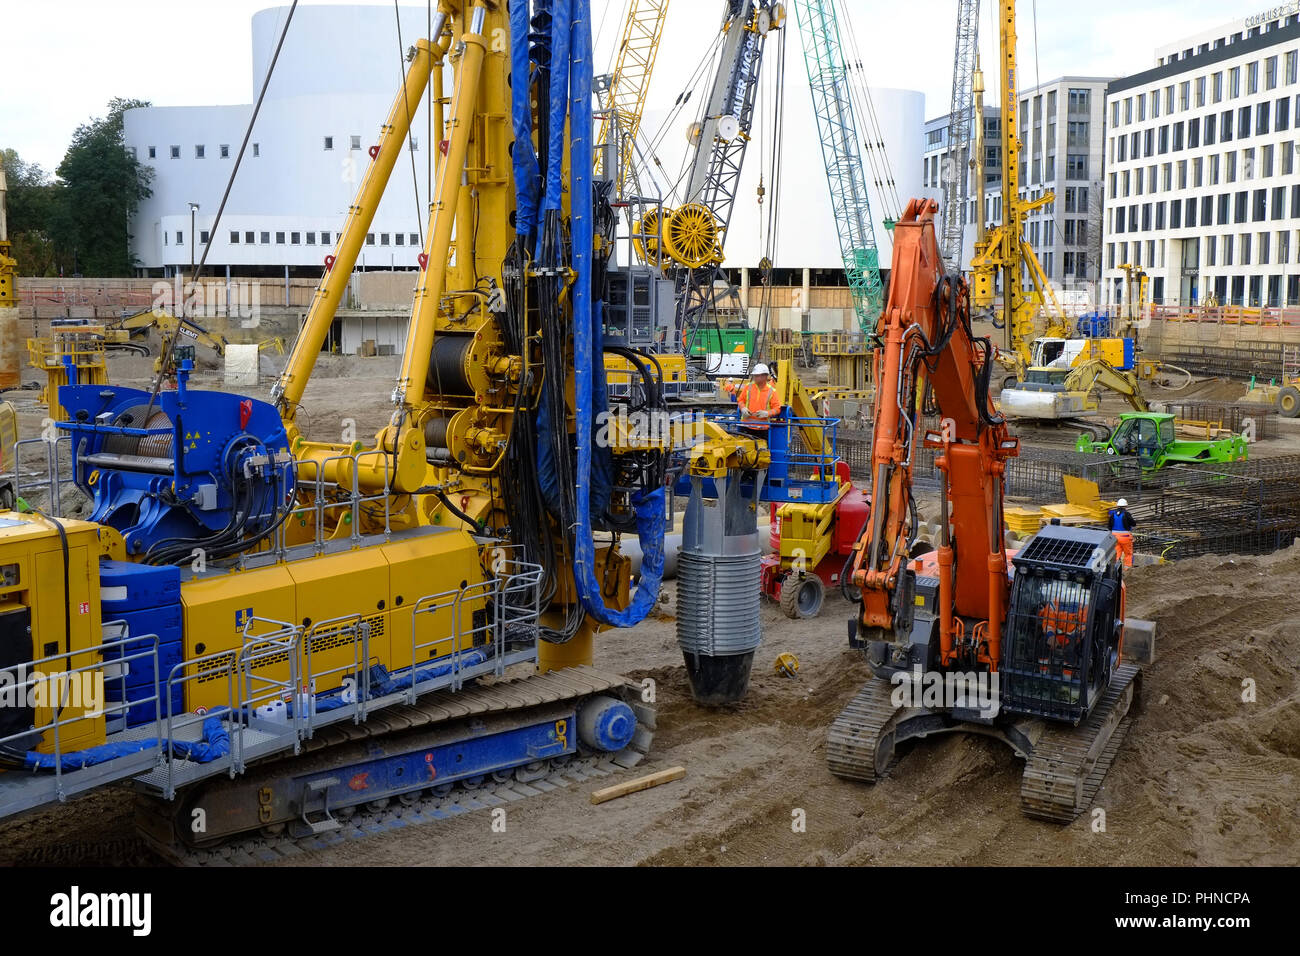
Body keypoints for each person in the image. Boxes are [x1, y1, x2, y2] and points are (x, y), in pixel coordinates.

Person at [736, 363, 782, 438]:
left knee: (761, 446)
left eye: (756, 375)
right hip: (745, 426)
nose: (754, 377)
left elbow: (777, 408)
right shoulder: (748, 387)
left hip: (762, 428)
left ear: (764, 376)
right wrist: (743, 408)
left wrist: (767, 413)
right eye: (754, 375)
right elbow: (740, 400)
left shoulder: (771, 391)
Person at [1108, 498, 1136, 567]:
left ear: (1117, 505)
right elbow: (1133, 523)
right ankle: (1127, 568)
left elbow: (1109, 526)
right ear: (1125, 506)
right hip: (1125, 537)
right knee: (1128, 553)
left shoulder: (1113, 514)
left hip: (1114, 537)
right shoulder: (1126, 514)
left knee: (1117, 553)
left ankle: (1116, 569)